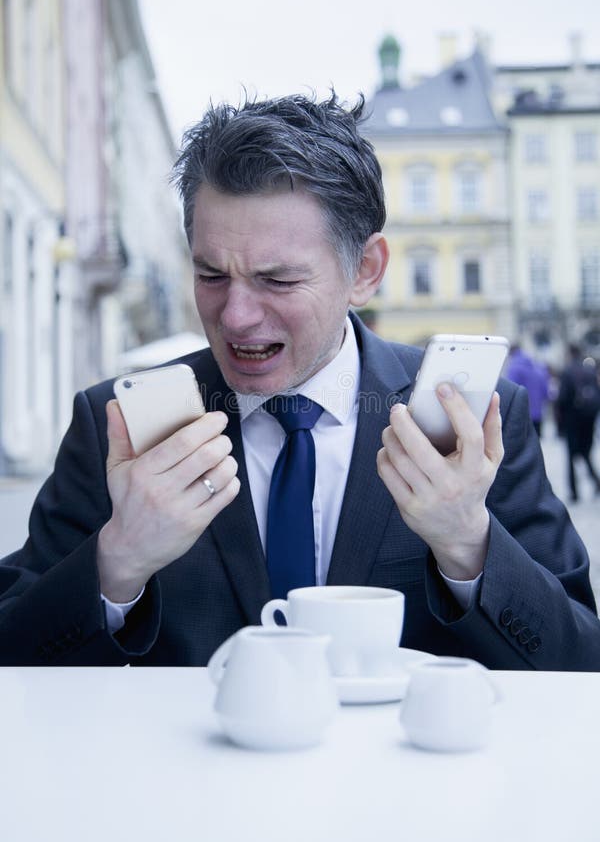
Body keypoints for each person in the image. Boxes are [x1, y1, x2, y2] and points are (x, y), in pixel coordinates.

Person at [1, 93, 599, 670]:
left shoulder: (476, 421)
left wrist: (469, 545)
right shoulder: (117, 427)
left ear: (365, 271)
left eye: (278, 280)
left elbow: (579, 661)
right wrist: (118, 560)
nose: (234, 316)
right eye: (211, 274)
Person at [556, 344, 600, 502]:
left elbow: (562, 398)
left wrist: (559, 424)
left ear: (569, 353)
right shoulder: (590, 370)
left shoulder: (568, 371)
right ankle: (596, 481)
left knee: (571, 456)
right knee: (586, 453)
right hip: (588, 419)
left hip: (572, 420)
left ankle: (574, 492)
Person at [504, 343, 549, 437]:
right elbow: (545, 392)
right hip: (537, 414)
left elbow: (509, 391)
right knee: (536, 444)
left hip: (520, 415)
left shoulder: (513, 368)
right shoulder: (538, 368)